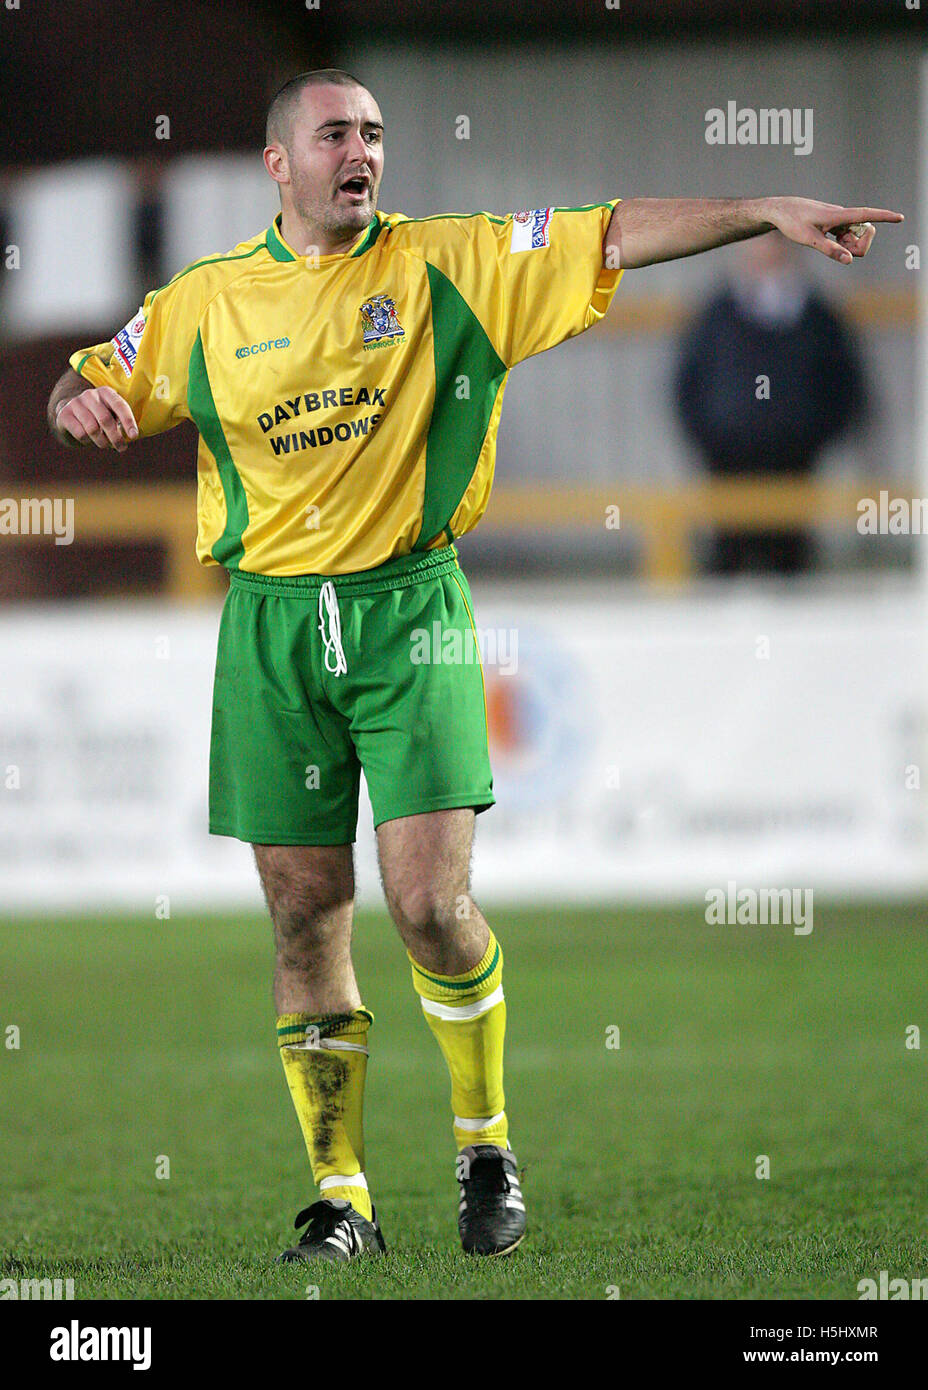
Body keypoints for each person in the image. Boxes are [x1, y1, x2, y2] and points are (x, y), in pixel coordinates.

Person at [46, 68, 902, 1265]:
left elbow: (613, 228)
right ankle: (342, 1198)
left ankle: (484, 1145)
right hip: (271, 627)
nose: (364, 150)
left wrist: (761, 208)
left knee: (428, 906)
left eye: (377, 133)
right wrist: (81, 403)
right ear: (279, 164)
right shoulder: (203, 300)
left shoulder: (455, 261)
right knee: (303, 915)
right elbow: (90, 380)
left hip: (412, 614)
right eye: (337, 133)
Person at [674, 230, 869, 574]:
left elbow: (845, 385)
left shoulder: (818, 316)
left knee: (790, 563)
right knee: (727, 558)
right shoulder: (717, 313)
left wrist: (813, 436)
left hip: (795, 462)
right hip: (728, 463)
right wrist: (711, 436)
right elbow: (687, 384)